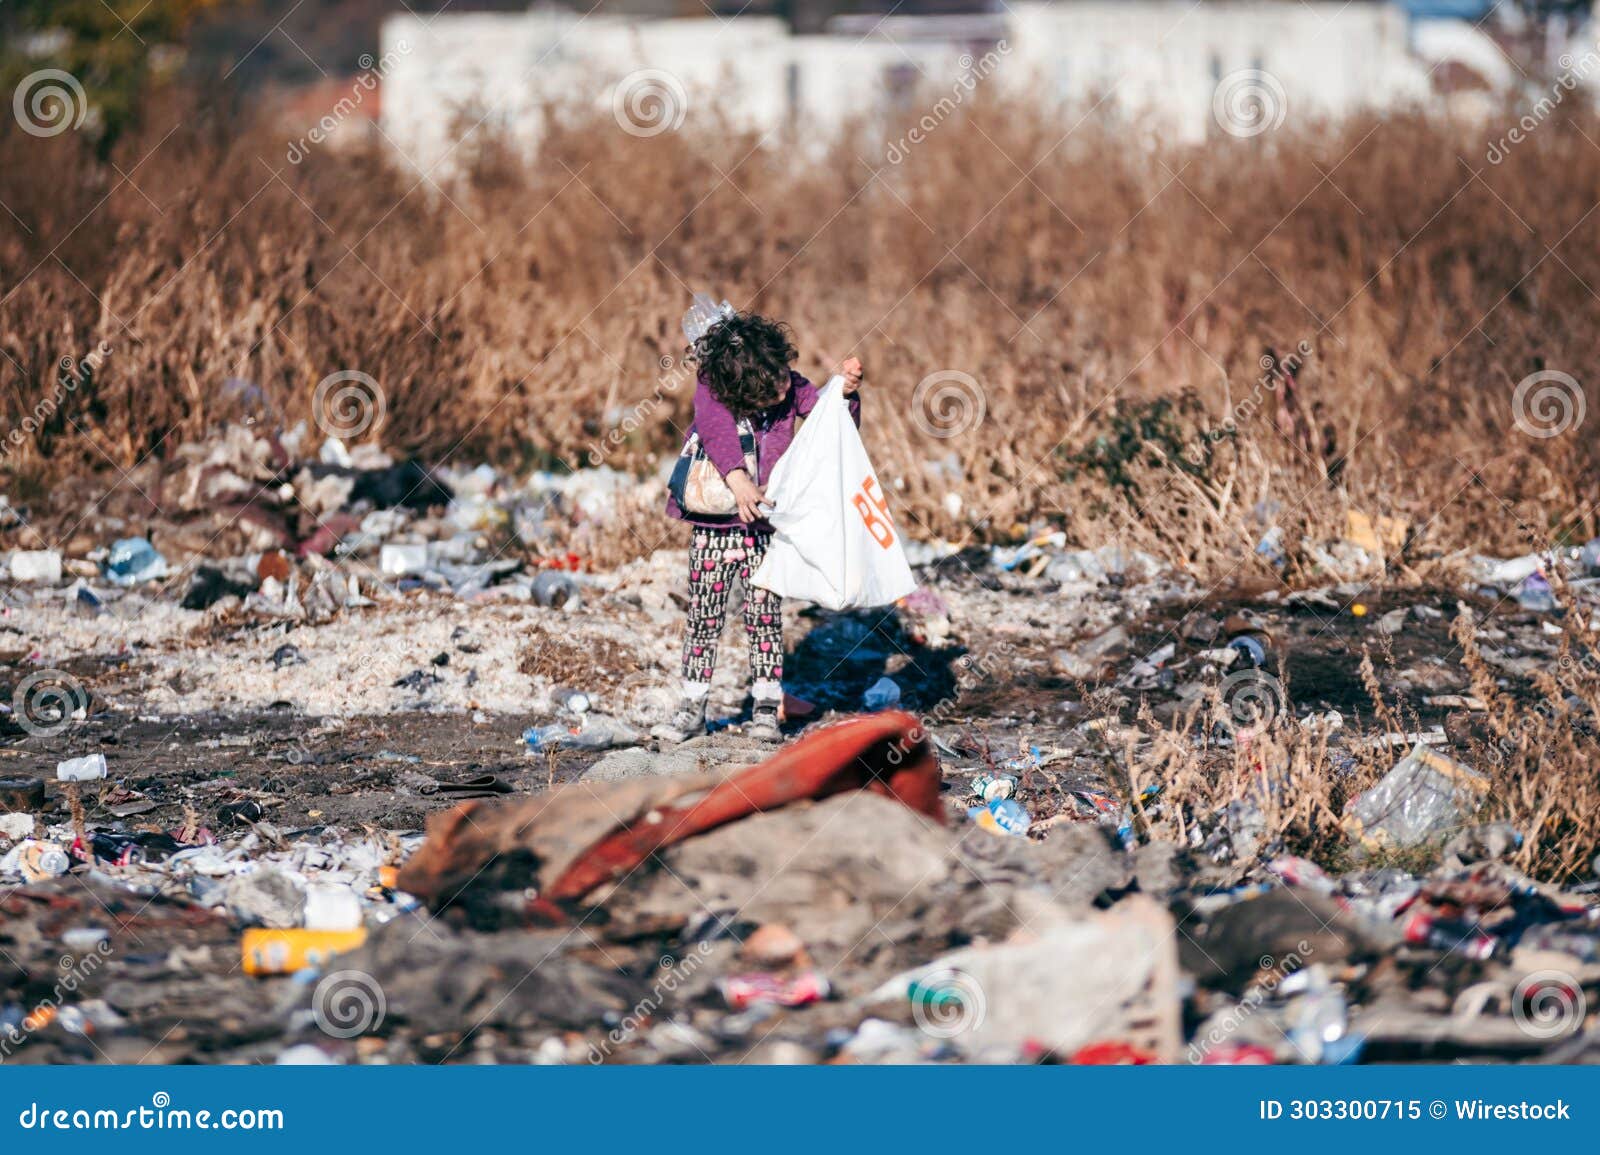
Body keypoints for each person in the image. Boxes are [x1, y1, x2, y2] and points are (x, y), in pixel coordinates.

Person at [652, 303, 862, 743]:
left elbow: (832, 423)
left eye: (785, 375)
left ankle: (766, 710)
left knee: (765, 617)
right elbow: (714, 428)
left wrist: (845, 394)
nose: (785, 388)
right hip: (713, 528)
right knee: (703, 617)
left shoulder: (790, 385)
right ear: (743, 389)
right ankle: (692, 709)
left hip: (764, 530)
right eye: (772, 386)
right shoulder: (713, 386)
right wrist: (738, 480)